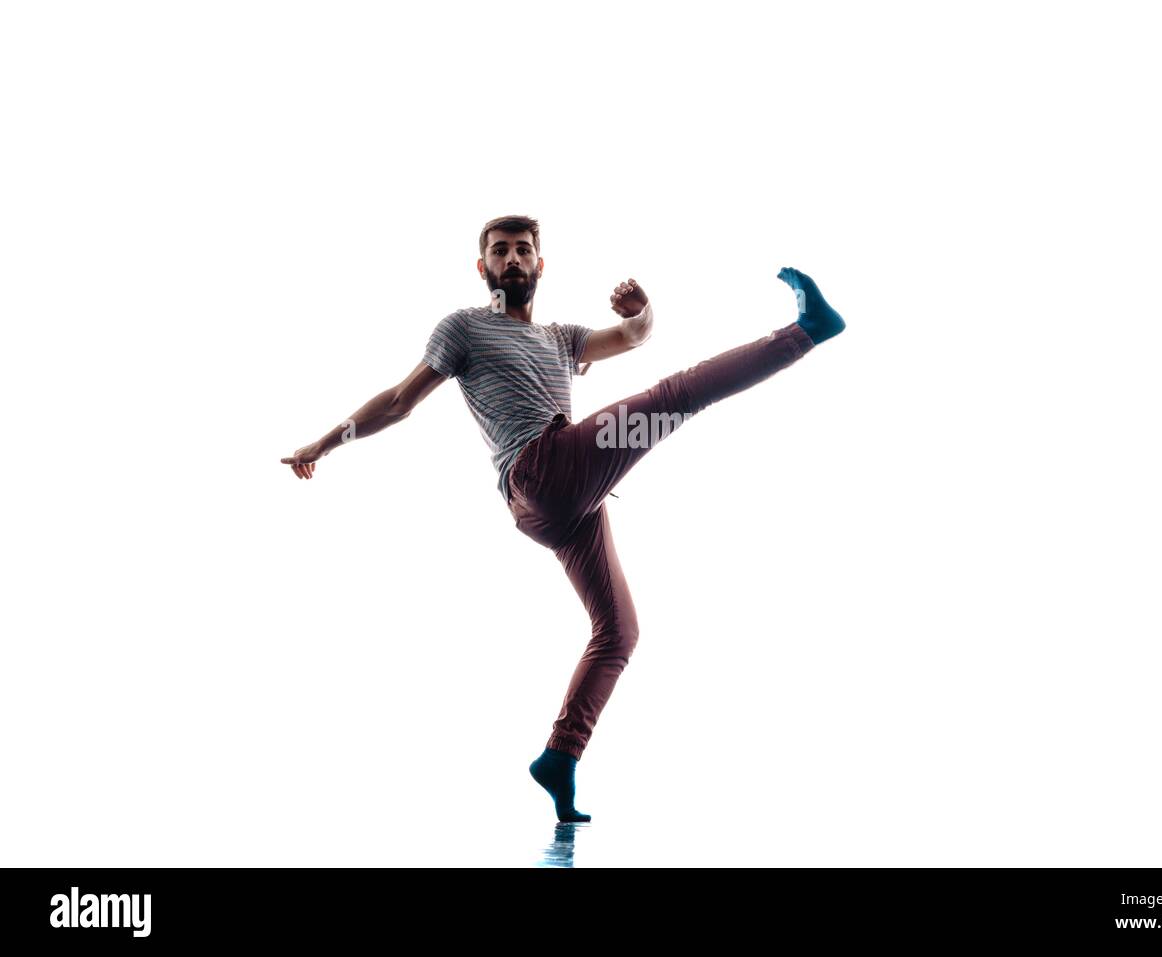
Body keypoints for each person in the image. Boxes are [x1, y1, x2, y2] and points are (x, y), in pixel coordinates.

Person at [281, 215, 845, 823]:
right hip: (541, 471)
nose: (514, 258)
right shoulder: (464, 329)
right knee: (676, 396)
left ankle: (560, 758)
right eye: (501, 252)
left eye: (525, 249)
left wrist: (644, 310)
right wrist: (324, 443)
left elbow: (632, 337)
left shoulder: (559, 337)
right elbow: (398, 402)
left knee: (618, 631)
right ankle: (807, 330)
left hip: (562, 503)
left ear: (540, 266)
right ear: (484, 268)